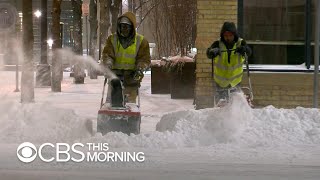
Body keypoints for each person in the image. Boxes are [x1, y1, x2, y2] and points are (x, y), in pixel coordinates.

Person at [101, 11, 151, 103]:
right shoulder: (112, 39)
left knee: (129, 104)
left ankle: (130, 116)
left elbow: (144, 58)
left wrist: (140, 68)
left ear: (132, 27)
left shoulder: (141, 41)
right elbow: (107, 54)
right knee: (112, 102)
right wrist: (107, 64)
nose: (124, 29)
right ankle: (109, 115)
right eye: (122, 26)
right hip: (115, 77)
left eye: (127, 27)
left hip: (132, 78)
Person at [206, 21, 252, 105]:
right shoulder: (217, 44)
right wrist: (213, 51)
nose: (228, 38)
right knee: (221, 105)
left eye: (230, 35)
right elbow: (209, 53)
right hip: (220, 83)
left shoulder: (241, 43)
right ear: (222, 36)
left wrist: (244, 50)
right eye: (226, 35)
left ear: (234, 35)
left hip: (235, 82)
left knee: (235, 105)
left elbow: (249, 51)